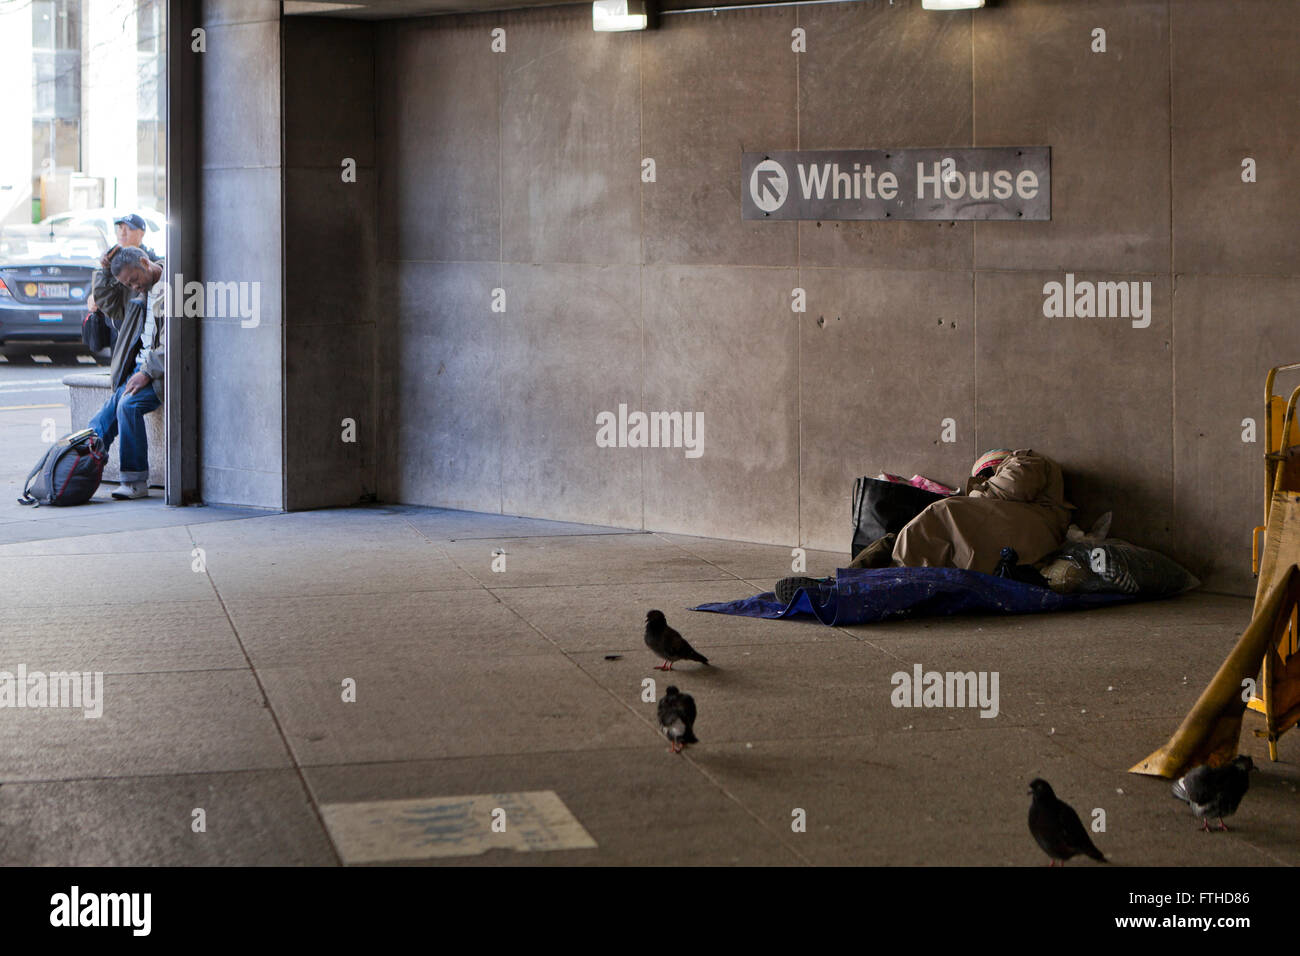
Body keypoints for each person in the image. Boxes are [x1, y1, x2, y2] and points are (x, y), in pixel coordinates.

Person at [775, 449, 1074, 602]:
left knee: (941, 514)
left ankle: (852, 586)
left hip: (1028, 533)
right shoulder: (1022, 508)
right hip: (1023, 536)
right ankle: (843, 582)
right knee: (896, 540)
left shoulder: (1028, 459)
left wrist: (975, 493)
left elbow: (1008, 489)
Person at [88, 245, 166, 500]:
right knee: (103, 418)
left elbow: (174, 343)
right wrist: (102, 271)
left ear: (145, 262)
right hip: (137, 370)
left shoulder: (173, 288)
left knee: (128, 406)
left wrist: (147, 372)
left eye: (134, 279)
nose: (133, 286)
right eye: (127, 284)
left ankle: (135, 481)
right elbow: (105, 301)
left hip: (160, 373)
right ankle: (81, 465)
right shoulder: (136, 294)